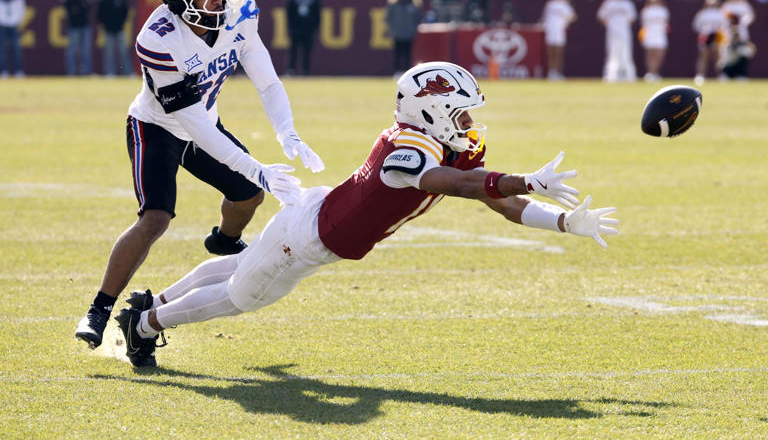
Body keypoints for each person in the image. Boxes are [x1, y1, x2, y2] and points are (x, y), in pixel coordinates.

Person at [112, 61, 619, 367]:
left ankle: (149, 303)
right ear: (433, 112)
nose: (469, 123)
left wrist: (561, 221)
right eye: (461, 113)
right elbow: (460, 185)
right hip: (313, 236)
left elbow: (499, 202)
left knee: (238, 269)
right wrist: (528, 178)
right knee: (242, 295)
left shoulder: (446, 142)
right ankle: (147, 323)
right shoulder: (408, 147)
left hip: (316, 216)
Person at [75, 0, 325, 356]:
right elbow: (191, 123)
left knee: (249, 196)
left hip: (202, 120)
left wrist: (287, 133)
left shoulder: (239, 8)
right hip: (157, 127)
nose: (222, 1)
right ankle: (100, 308)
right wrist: (256, 166)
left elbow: (266, 78)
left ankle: (225, 241)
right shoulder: (158, 39)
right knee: (156, 218)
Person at [597, 0, 637, 82]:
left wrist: (623, 26)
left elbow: (632, 18)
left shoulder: (628, 3)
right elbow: (601, 16)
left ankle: (627, 76)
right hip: (612, 32)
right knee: (612, 53)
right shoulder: (609, 3)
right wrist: (610, 25)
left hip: (625, 32)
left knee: (626, 53)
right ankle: (611, 75)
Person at [285, 0, 320, 76]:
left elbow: (317, 13)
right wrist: (290, 27)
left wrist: (315, 27)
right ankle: (291, 70)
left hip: (308, 28)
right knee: (293, 50)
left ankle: (305, 71)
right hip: (296, 28)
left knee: (307, 51)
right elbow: (288, 13)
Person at [386, 0, 423, 77]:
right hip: (397, 33)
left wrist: (414, 29)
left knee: (408, 54)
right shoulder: (393, 3)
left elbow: (418, 18)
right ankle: (397, 71)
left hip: (409, 33)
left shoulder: (415, 3)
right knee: (397, 53)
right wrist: (392, 29)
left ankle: (407, 72)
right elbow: (389, 17)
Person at [96, 0, 132, 77]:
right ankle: (110, 72)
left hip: (120, 29)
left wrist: (121, 23)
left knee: (124, 53)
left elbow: (125, 13)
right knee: (109, 54)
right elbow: (99, 15)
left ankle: (128, 72)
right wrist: (105, 24)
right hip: (108, 30)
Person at [541, 0, 576, 81]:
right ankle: (551, 73)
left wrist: (565, 23)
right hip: (550, 31)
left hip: (559, 32)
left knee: (559, 53)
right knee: (551, 52)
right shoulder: (551, 4)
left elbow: (573, 17)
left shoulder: (567, 6)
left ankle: (557, 73)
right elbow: (544, 17)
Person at [691, 0, 727, 85]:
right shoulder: (702, 13)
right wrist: (703, 33)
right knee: (703, 56)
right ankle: (700, 75)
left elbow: (725, 25)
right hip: (706, 36)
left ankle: (721, 75)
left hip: (717, 36)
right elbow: (696, 25)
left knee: (718, 57)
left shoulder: (721, 13)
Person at [61, 0, 92, 76]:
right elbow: (72, 10)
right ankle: (71, 72)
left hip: (84, 26)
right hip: (73, 27)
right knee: (71, 51)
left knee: (85, 51)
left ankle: (86, 72)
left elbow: (86, 9)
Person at [638, 0, 669, 82]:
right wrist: (644, 36)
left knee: (659, 54)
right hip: (649, 34)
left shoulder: (663, 10)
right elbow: (643, 25)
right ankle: (650, 72)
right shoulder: (646, 11)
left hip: (660, 34)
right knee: (650, 54)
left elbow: (665, 23)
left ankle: (655, 72)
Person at [0, 0, 25, 77]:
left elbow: (21, 9)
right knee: (2, 49)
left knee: (16, 48)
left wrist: (19, 21)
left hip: (14, 24)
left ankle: (18, 70)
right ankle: (4, 70)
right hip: (2, 24)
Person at [717, 13, 755, 81]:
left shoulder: (742, 45)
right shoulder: (726, 45)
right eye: (734, 35)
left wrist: (744, 45)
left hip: (739, 70)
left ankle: (741, 75)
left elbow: (750, 53)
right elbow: (724, 60)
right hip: (728, 69)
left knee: (743, 56)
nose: (735, 38)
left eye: (736, 35)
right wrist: (731, 48)